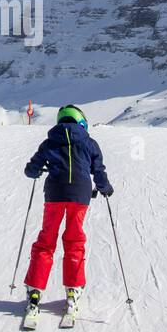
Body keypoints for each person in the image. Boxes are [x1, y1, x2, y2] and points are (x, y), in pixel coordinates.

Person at [22, 104, 112, 318]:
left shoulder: (49, 142)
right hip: (79, 196)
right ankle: (73, 290)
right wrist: (104, 188)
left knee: (46, 240)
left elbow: (31, 170)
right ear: (81, 122)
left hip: (54, 194)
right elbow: (98, 170)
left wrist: (36, 171)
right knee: (74, 240)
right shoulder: (90, 143)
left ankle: (35, 291)